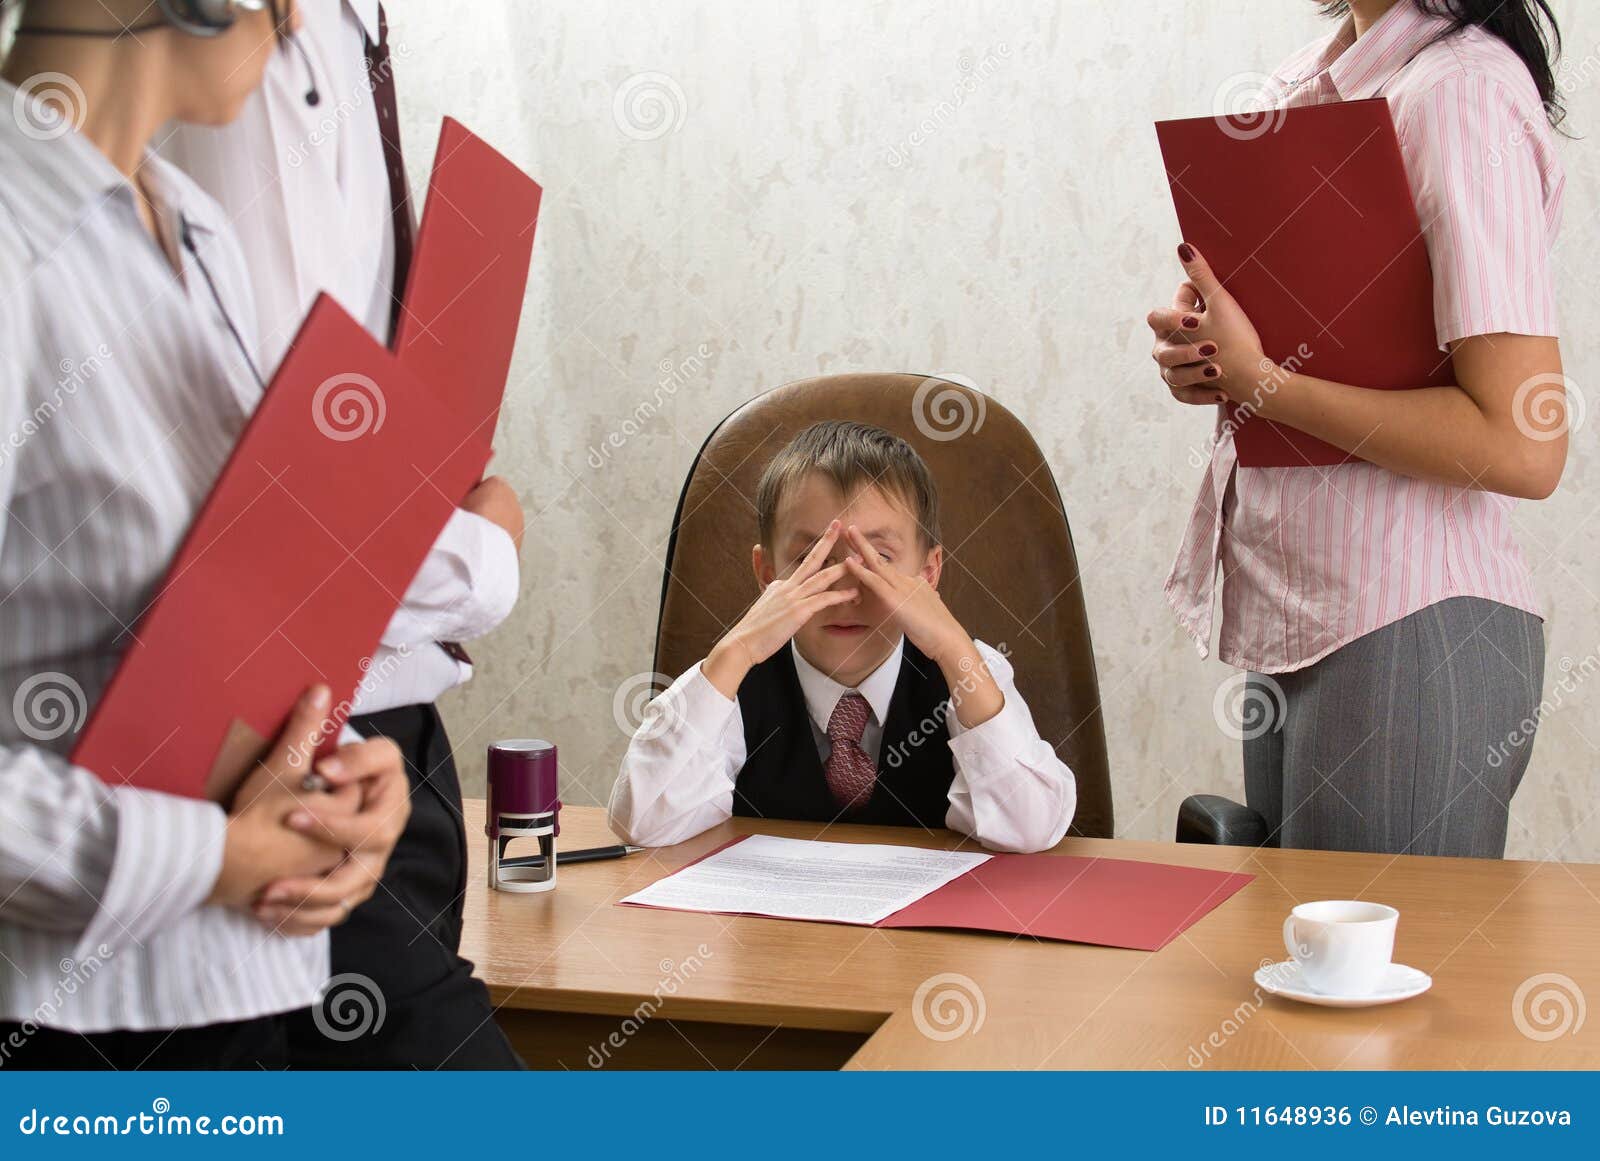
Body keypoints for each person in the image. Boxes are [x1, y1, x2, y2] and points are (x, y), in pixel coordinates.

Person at [0, 0, 408, 1067]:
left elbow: (215, 623)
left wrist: (335, 772)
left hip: (231, 994)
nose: (299, 25)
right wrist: (202, 856)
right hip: (59, 1031)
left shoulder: (190, 227)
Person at [160, 0, 525, 1068]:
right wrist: (485, 556)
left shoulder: (336, 27)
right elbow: (274, 497)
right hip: (282, 743)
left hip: (373, 741)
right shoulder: (250, 46)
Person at [1151, 0, 1567, 857]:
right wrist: (1215, 359)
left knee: (1385, 987)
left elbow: (1524, 445)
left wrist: (1266, 383)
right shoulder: (1308, 81)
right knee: (1309, 976)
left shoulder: (1464, 92)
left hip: (1412, 621)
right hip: (1300, 608)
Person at [608, 421, 1076, 852]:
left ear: (929, 573)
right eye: (814, 559)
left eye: (878, 558)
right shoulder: (731, 682)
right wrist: (737, 651)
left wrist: (953, 648)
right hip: (771, 935)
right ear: (768, 575)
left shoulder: (969, 674)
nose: (847, 591)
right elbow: (643, 822)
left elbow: (1030, 828)